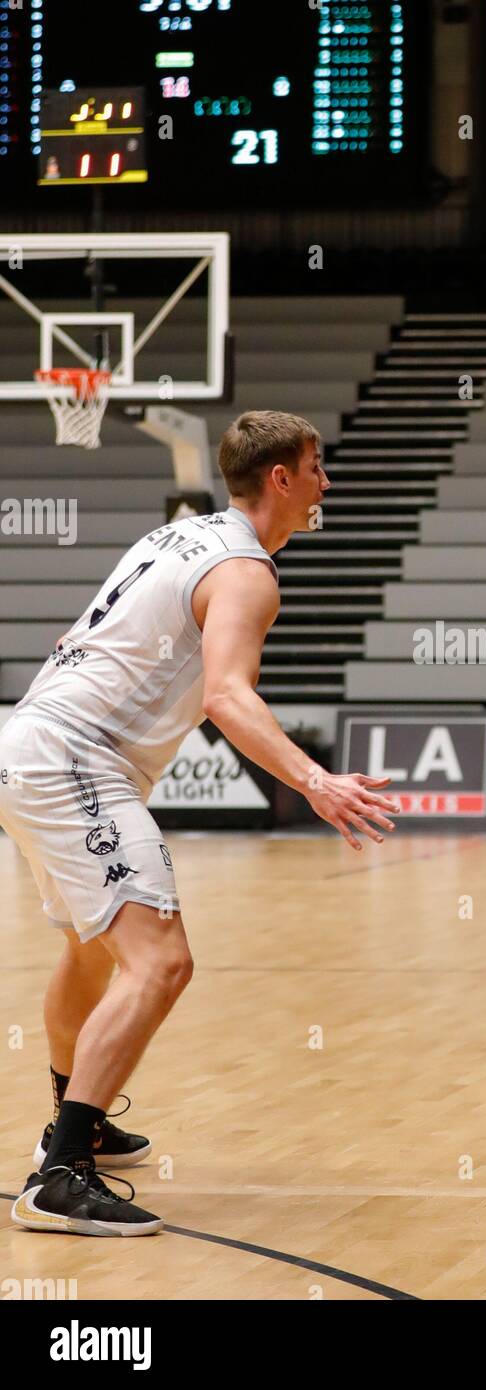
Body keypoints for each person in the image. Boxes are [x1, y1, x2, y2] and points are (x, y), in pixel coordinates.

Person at [0, 410, 399, 1235]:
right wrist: (315, 780)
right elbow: (225, 697)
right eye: (317, 467)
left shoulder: (175, 537)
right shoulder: (248, 572)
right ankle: (60, 1173)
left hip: (30, 740)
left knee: (92, 948)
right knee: (162, 963)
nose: (327, 482)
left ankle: (80, 1122)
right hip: (75, 756)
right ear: (280, 479)